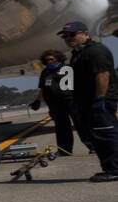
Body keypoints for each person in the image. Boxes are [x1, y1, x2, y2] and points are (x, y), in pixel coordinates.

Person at [60, 22, 118, 180]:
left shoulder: (95, 51)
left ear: (86, 34)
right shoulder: (79, 53)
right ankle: (109, 168)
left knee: (106, 135)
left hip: (99, 101)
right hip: (87, 102)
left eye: (72, 34)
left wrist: (100, 99)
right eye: (65, 36)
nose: (68, 38)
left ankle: (115, 170)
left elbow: (102, 75)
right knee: (98, 138)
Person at [31, 49, 83, 155]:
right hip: (55, 104)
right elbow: (43, 88)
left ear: (58, 58)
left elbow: (79, 84)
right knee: (61, 128)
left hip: (71, 101)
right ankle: (64, 150)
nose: (49, 61)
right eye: (47, 60)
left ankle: (92, 146)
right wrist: (37, 100)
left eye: (51, 58)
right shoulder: (45, 72)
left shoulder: (68, 69)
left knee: (80, 124)